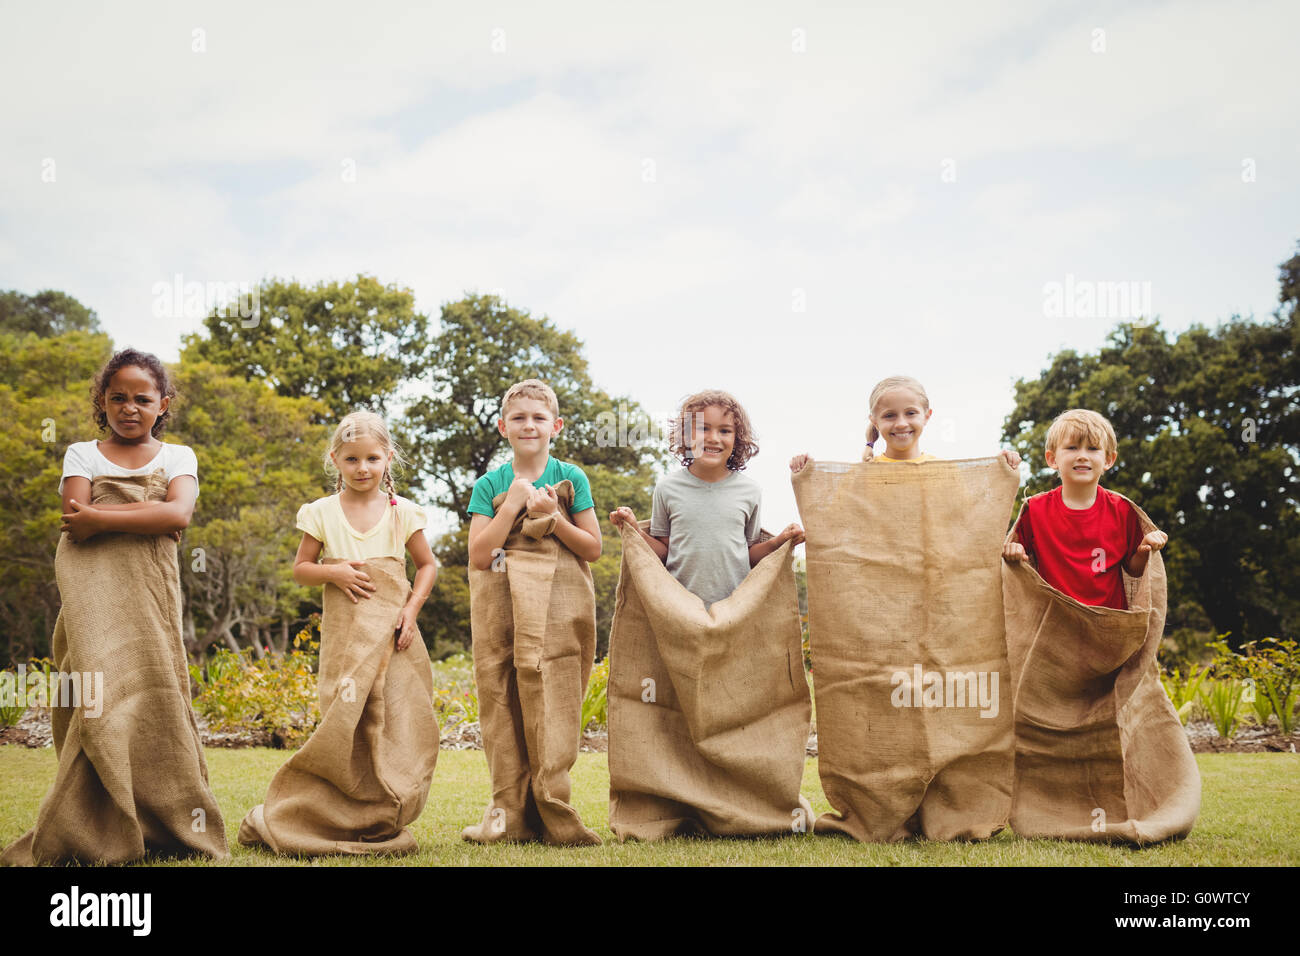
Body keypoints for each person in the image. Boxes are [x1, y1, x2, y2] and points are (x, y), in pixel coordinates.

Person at [2, 348, 228, 865]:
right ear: (102, 402)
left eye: (142, 398)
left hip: (150, 600)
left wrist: (105, 517)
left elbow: (180, 515)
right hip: (90, 598)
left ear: (163, 403)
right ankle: (92, 824)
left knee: (155, 695)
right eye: (118, 397)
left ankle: (163, 821)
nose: (130, 407)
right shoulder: (82, 453)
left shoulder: (179, 456)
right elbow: (73, 514)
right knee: (94, 701)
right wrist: (150, 513)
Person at [238, 410, 439, 856]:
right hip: (345, 639)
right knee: (345, 722)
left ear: (388, 458)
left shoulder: (402, 512)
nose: (362, 468)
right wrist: (337, 574)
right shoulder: (321, 513)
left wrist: (411, 609)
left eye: (372, 458)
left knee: (393, 722)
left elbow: (427, 566)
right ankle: (331, 812)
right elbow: (301, 569)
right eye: (351, 459)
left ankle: (377, 815)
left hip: (394, 635)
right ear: (335, 460)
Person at [462, 379, 603, 845]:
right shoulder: (490, 484)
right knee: (502, 700)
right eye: (519, 418)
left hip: (559, 612)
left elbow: (594, 548)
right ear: (503, 427)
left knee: (556, 700)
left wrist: (554, 516)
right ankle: (510, 814)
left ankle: (553, 809)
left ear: (555, 426)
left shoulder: (572, 478)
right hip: (502, 611)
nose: (529, 425)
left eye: (539, 418)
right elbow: (481, 556)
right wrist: (515, 507)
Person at [612, 388, 803, 607]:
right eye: (703, 428)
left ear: (737, 439)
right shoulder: (667, 488)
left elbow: (748, 555)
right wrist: (634, 530)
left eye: (725, 431)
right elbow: (664, 553)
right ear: (686, 434)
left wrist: (780, 541)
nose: (713, 439)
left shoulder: (750, 491)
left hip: (735, 610)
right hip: (679, 609)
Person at [1001, 408, 1167, 609]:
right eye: (1072, 448)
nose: (1082, 456)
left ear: (1108, 460)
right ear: (1052, 459)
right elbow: (1015, 559)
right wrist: (1014, 550)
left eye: (1093, 448)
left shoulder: (1122, 509)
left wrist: (1145, 548)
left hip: (1108, 627)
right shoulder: (1035, 510)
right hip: (1055, 627)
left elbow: (1133, 570)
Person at [789, 375, 1022, 472]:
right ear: (875, 421)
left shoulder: (943, 471)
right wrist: (806, 471)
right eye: (890, 416)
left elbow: (969, 515)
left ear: (927, 415)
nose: (901, 423)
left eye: (910, 413)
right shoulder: (865, 474)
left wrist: (1004, 468)